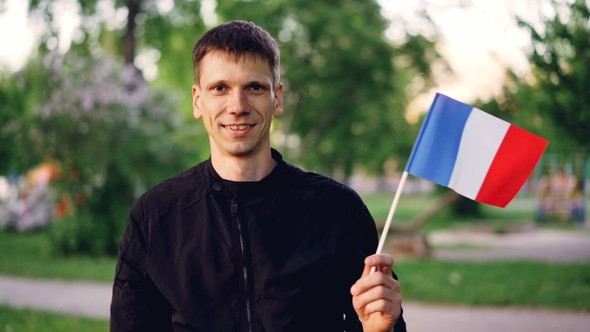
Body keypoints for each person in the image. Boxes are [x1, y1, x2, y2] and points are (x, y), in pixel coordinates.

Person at [110, 20, 405, 332]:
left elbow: (381, 323)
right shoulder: (155, 216)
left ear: (277, 98)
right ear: (198, 100)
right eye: (219, 88)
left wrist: (380, 330)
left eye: (254, 87)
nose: (237, 106)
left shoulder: (338, 210)